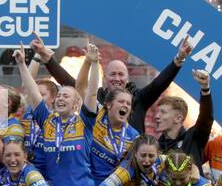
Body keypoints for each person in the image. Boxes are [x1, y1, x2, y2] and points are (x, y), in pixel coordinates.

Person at [32, 35, 194, 134]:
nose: (117, 78)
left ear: (127, 77)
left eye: (121, 74)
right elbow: (69, 82)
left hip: (131, 167)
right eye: (113, 74)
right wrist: (47, 59)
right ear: (104, 78)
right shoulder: (97, 98)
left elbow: (160, 84)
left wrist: (178, 59)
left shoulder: (139, 99)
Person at [15, 46, 94, 186]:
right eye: (59, 96)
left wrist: (90, 62)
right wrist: (21, 64)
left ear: (76, 103)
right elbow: (33, 91)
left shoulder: (84, 122)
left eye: (66, 96)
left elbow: (87, 90)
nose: (60, 98)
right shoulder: (47, 120)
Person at [78, 42, 138, 185]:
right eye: (121, 102)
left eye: (128, 103)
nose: (125, 105)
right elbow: (84, 89)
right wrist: (91, 63)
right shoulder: (97, 115)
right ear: (109, 104)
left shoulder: (134, 136)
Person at [156, 69, 214, 164]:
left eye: (163, 112)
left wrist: (205, 88)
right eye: (158, 112)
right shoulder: (155, 147)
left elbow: (206, 118)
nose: (157, 116)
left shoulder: (194, 138)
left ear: (178, 118)